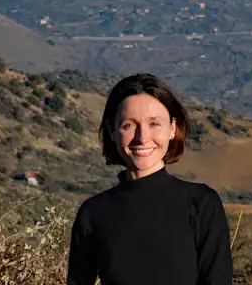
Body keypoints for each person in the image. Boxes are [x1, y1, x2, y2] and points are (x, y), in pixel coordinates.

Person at [66, 73, 233, 285]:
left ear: (172, 129)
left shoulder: (201, 204)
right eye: (129, 125)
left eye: (154, 124)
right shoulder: (93, 213)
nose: (142, 137)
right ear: (112, 130)